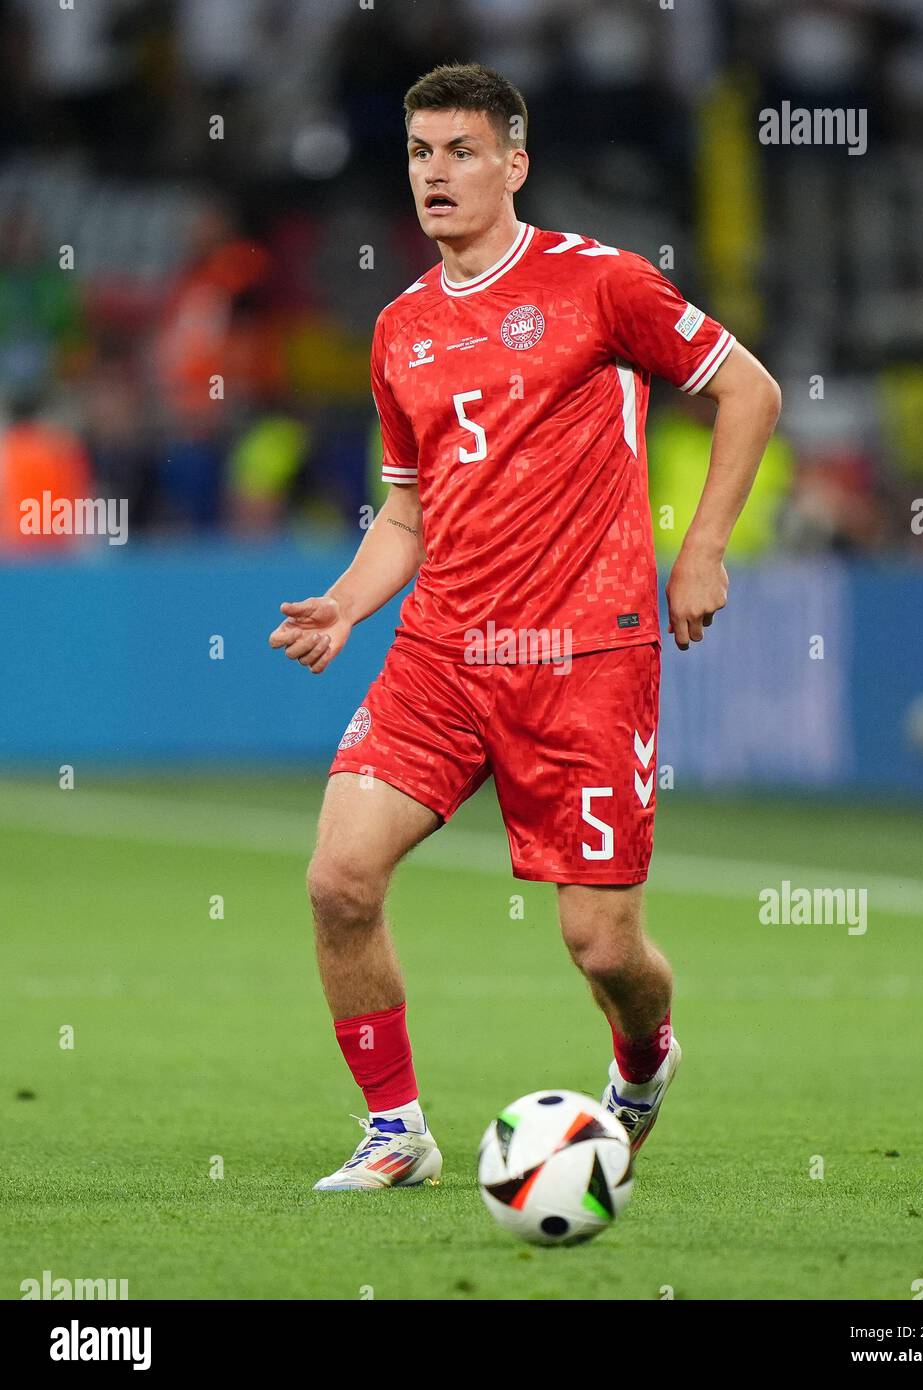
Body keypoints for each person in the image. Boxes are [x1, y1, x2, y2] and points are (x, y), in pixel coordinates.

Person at [269, 63, 781, 1191]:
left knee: (601, 946)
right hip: (443, 655)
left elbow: (751, 390)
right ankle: (396, 1131)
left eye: (459, 151)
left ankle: (642, 1061)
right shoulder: (401, 327)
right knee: (336, 880)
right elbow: (407, 510)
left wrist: (700, 548)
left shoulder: (602, 284)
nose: (435, 175)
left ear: (514, 163)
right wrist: (350, 603)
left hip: (586, 661)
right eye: (418, 154)